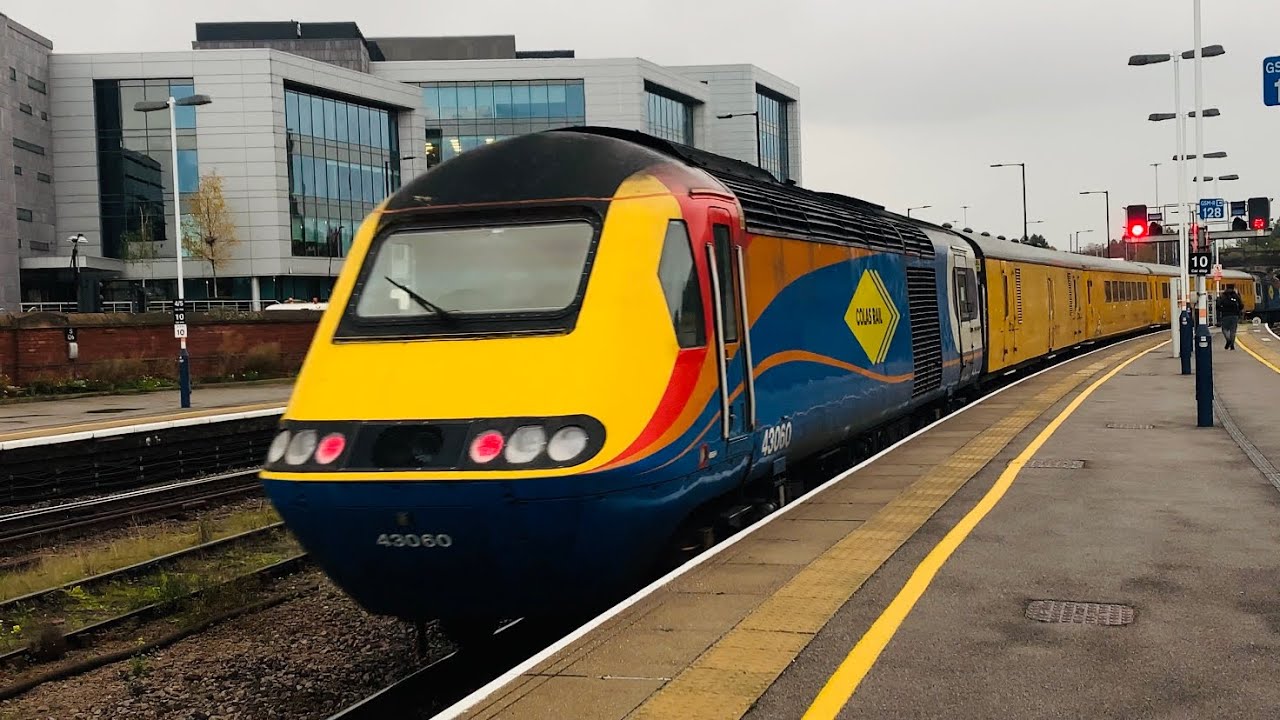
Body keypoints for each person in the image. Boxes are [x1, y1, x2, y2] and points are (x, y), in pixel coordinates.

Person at [1218, 286, 1243, 350]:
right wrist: (1238, 311)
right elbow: (1241, 305)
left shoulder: (1223, 296)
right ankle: (1232, 345)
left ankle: (1228, 340)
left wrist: (1222, 310)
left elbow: (1218, 305)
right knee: (1233, 331)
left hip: (1225, 315)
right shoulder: (1236, 296)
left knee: (1224, 329)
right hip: (1234, 315)